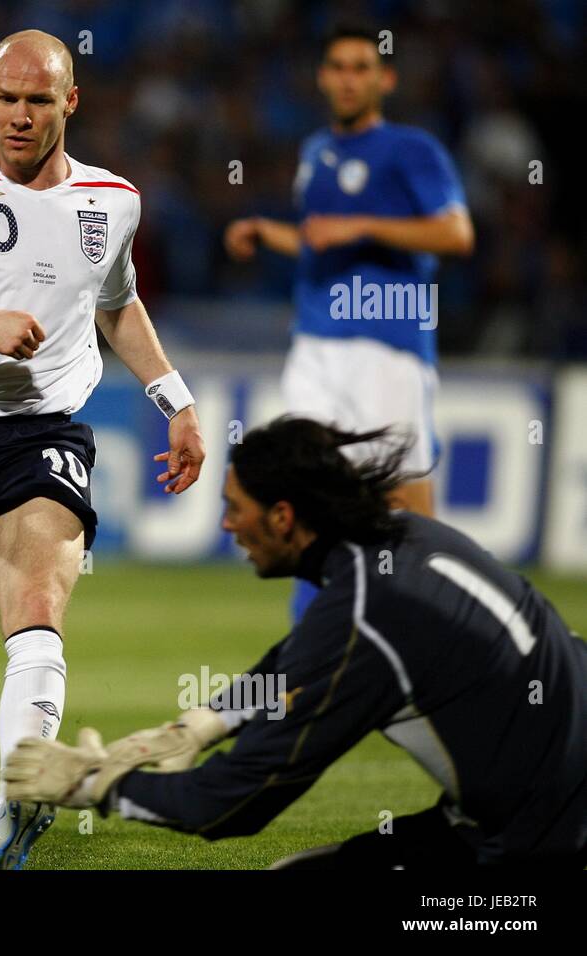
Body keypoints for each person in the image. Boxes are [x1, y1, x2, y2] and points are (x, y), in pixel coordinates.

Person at [0, 30, 206, 869]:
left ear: (70, 102)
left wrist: (177, 398)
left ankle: (23, 793)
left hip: (39, 433)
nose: (18, 116)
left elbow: (116, 305)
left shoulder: (112, 201)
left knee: (38, 610)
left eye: (37, 100)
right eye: (4, 99)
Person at [3, 417, 587, 868]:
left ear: (283, 517)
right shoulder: (402, 542)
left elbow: (235, 803)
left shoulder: (370, 618)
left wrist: (97, 786)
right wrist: (201, 725)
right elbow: (300, 657)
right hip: (536, 805)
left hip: (539, 844)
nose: (228, 526)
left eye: (235, 509)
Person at [223, 23, 474, 622]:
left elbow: (456, 232)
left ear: (384, 79)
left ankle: (442, 630)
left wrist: (363, 225)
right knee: (310, 491)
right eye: (337, 66)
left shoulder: (411, 149)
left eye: (362, 67)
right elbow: (320, 243)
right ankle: (318, 630)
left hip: (387, 342)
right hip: (314, 345)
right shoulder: (316, 151)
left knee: (403, 502)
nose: (348, 78)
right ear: (322, 76)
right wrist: (267, 232)